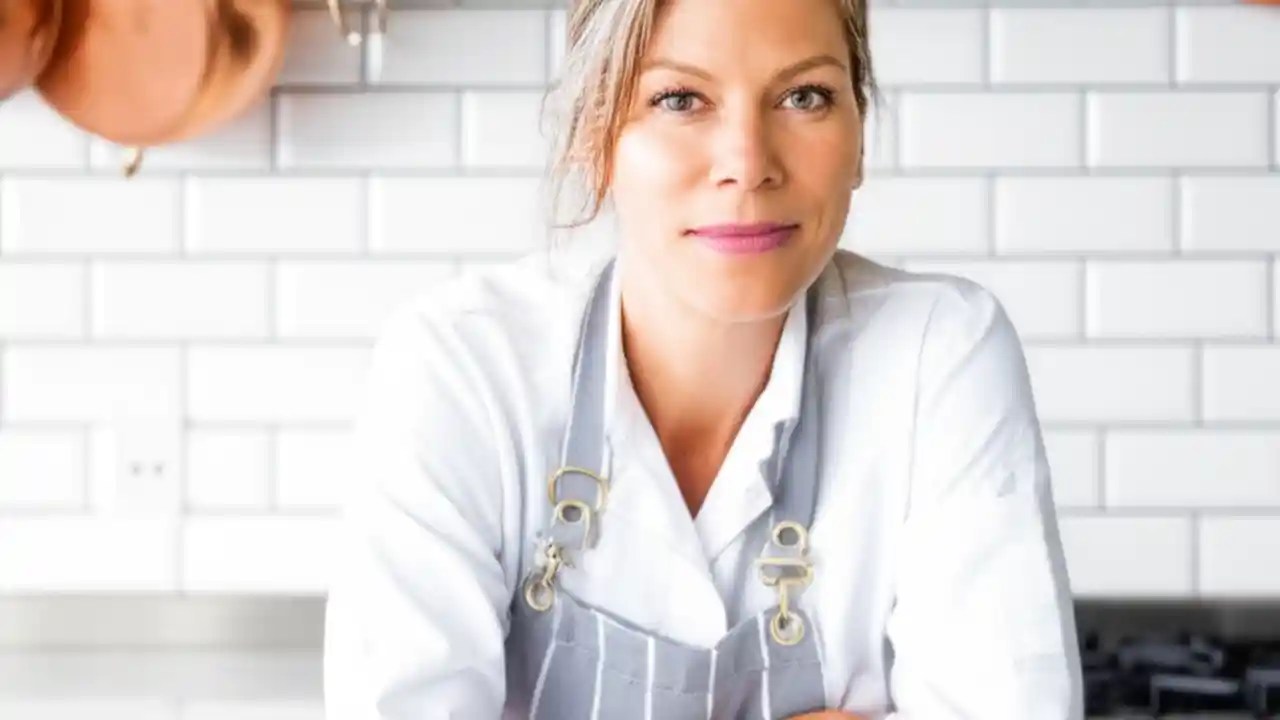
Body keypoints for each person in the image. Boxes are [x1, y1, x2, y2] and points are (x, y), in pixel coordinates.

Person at [322, 0, 1084, 717]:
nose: (748, 163)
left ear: (860, 136)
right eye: (681, 99)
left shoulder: (940, 355)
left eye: (805, 96)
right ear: (597, 136)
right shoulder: (461, 369)